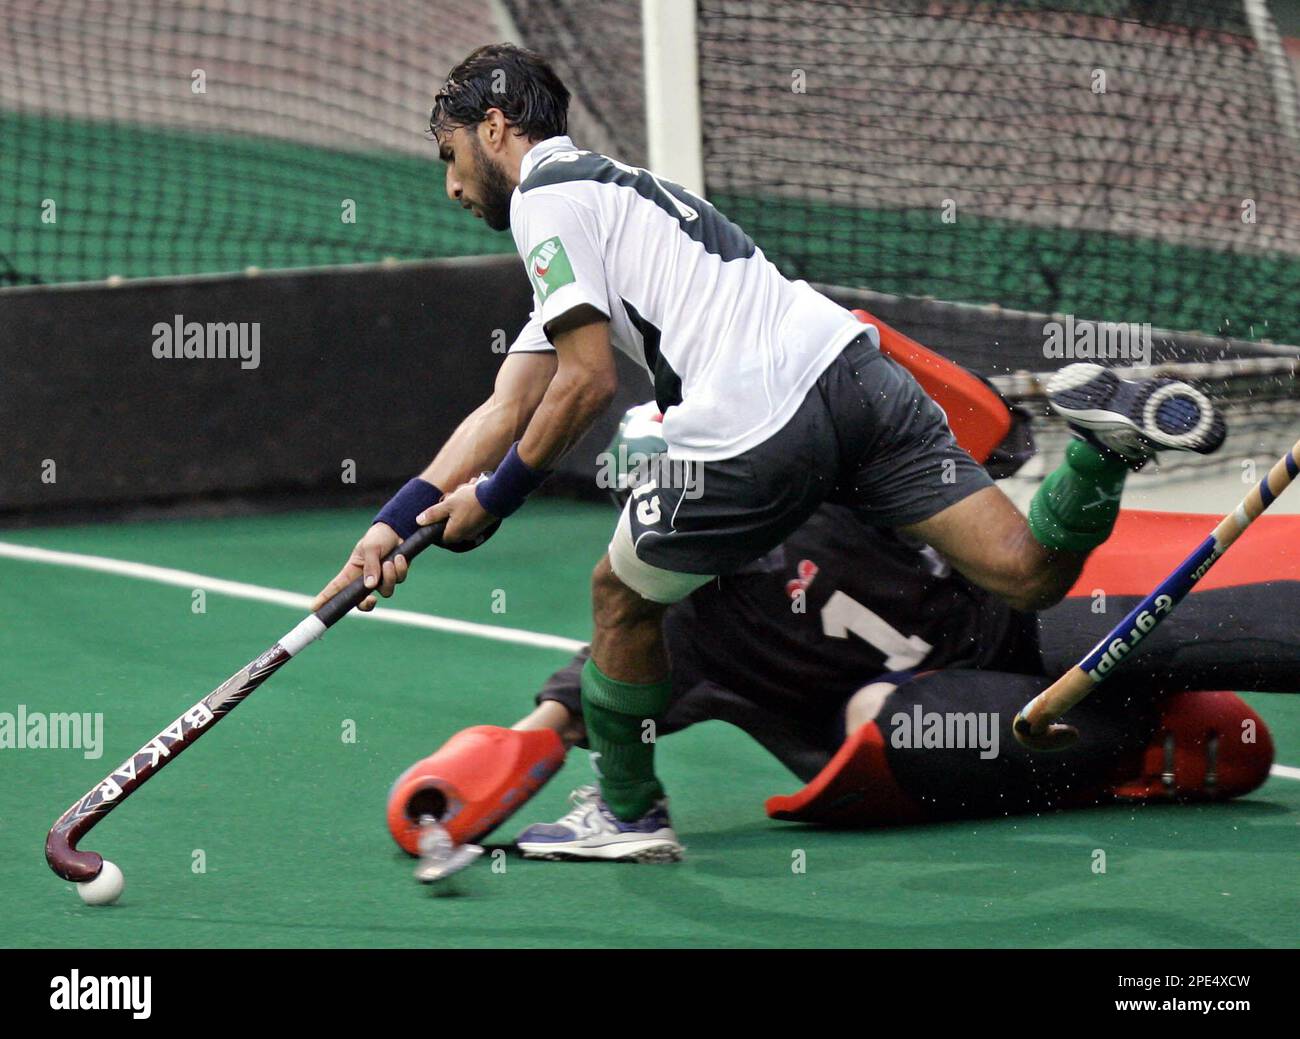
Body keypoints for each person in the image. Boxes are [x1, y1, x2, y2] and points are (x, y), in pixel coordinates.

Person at [317, 43, 1225, 861]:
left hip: (754, 419)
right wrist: (394, 522)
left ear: (495, 127)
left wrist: (497, 499)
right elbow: (506, 399)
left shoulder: (545, 204)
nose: (450, 184)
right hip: (852, 372)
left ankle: (628, 816)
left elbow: (585, 383)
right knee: (1025, 571)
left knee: (619, 597)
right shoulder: (616, 198)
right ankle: (1099, 453)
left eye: (449, 156)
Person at [385, 404, 1287, 864]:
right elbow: (569, 710)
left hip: (1019, 629)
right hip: (930, 732)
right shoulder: (681, 627)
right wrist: (453, 798)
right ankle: (1140, 741)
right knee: (887, 713)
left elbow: (988, 451)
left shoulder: (824, 477)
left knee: (1176, 629)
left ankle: (1144, 706)